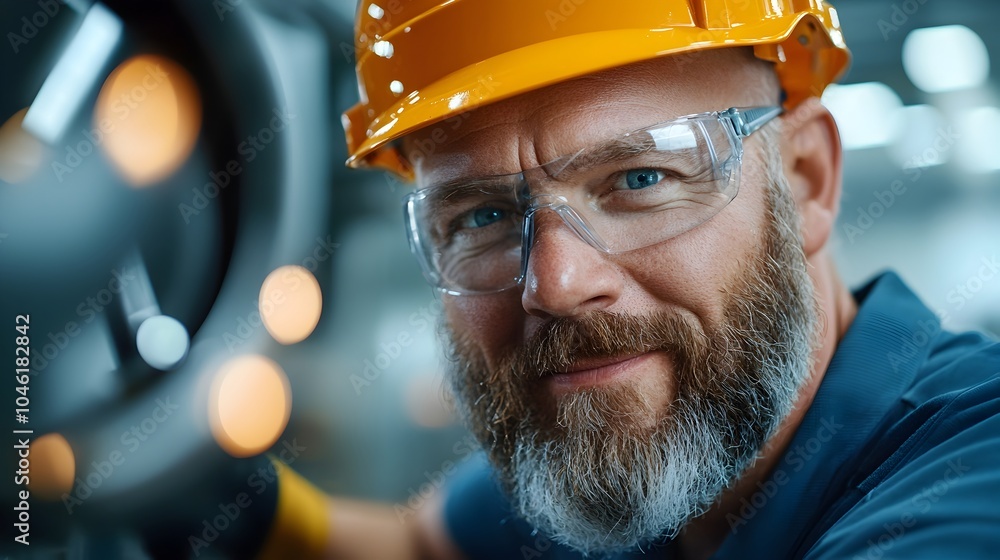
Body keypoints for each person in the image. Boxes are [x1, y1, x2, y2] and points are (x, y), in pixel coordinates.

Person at [283, 1, 1000, 558]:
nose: (556, 284)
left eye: (639, 177)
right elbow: (417, 548)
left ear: (806, 178)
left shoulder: (970, 484)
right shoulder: (633, 452)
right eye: (482, 216)